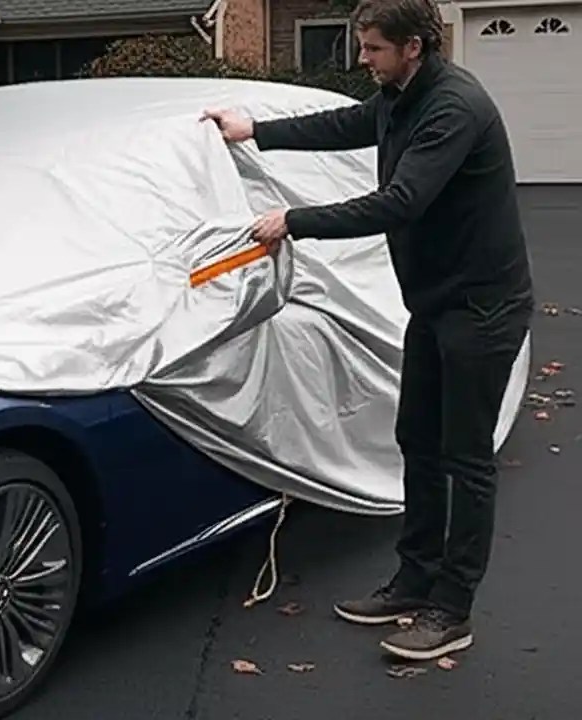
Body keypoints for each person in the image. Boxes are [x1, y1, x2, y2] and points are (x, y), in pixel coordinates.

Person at [202, 0, 534, 662]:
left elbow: (402, 201)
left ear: (414, 46)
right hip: (437, 303)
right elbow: (347, 122)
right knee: (417, 437)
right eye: (362, 47)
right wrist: (254, 130)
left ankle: (452, 608)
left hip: (484, 308)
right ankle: (414, 580)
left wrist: (293, 220)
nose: (362, 59)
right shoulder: (396, 93)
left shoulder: (453, 108)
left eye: (374, 49)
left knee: (466, 459)